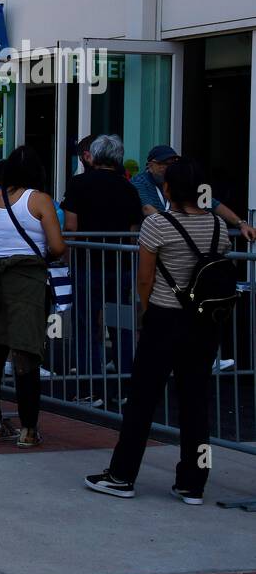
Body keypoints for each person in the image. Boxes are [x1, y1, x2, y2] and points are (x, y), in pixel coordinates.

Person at [86, 157, 228, 504]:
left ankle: (122, 475)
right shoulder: (218, 227)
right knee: (195, 402)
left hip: (164, 317)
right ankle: (193, 483)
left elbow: (145, 277)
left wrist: (147, 310)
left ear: (168, 189)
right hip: (203, 323)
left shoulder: (157, 225)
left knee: (142, 401)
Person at [0, 146, 67, 447]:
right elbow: (57, 246)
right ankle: (28, 429)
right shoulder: (39, 200)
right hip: (27, 281)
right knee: (26, 353)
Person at [60, 134, 144, 404]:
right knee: (121, 324)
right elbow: (133, 231)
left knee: (86, 325)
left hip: (87, 263)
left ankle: (89, 387)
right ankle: (125, 386)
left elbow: (71, 227)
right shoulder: (129, 189)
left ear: (93, 156)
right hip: (119, 266)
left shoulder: (79, 184)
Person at [133, 144, 256, 241]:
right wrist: (175, 228)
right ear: (150, 165)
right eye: (164, 164)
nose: (169, 167)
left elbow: (213, 203)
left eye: (173, 163)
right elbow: (147, 209)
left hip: (180, 237)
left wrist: (241, 224)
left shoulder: (183, 179)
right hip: (161, 237)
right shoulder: (140, 181)